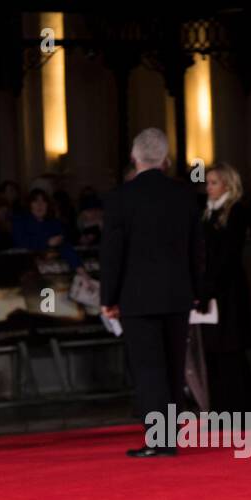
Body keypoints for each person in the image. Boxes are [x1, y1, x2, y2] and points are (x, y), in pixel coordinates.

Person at [99, 127, 204, 457]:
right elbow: (197, 249)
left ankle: (159, 440)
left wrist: (108, 298)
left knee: (148, 368)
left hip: (137, 297)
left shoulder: (119, 198)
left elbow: (113, 253)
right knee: (173, 366)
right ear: (166, 159)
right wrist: (198, 290)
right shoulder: (186, 195)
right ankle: (169, 436)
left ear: (134, 157)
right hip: (177, 295)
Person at [198, 162, 251, 425]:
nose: (208, 187)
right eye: (208, 182)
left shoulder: (235, 211)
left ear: (227, 184)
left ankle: (243, 412)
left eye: (213, 182)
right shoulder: (207, 213)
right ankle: (222, 410)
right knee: (213, 352)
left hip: (228, 292)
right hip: (212, 289)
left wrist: (210, 285)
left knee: (231, 352)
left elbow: (228, 255)